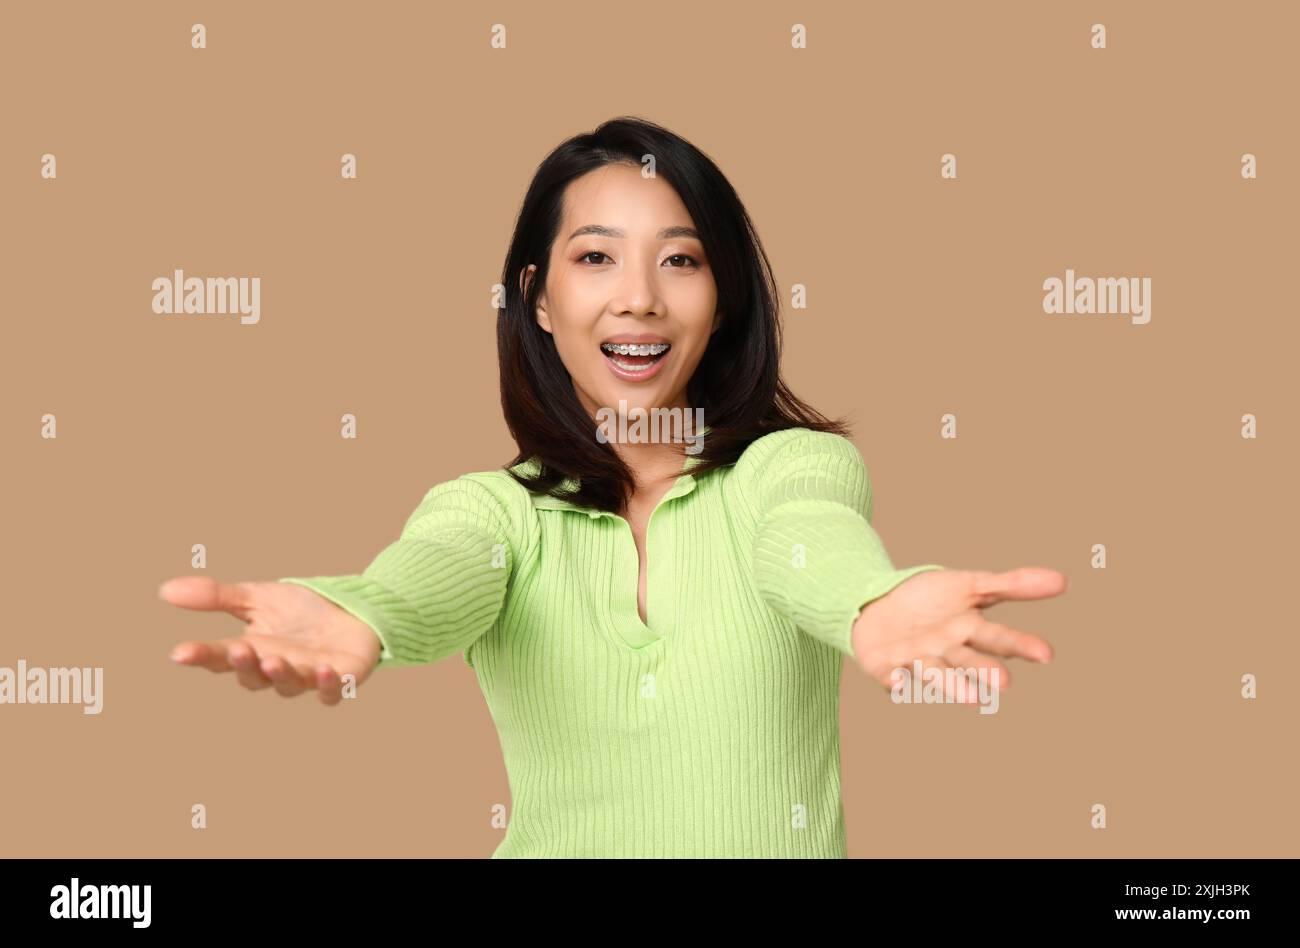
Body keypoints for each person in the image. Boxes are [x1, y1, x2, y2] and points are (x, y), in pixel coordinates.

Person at [160, 116, 1065, 858]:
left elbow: (809, 541)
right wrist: (360, 615)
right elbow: (430, 574)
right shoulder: (496, 513)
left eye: (681, 260)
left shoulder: (790, 470)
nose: (639, 299)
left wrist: (871, 603)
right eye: (596, 258)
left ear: (725, 299)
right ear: (538, 298)